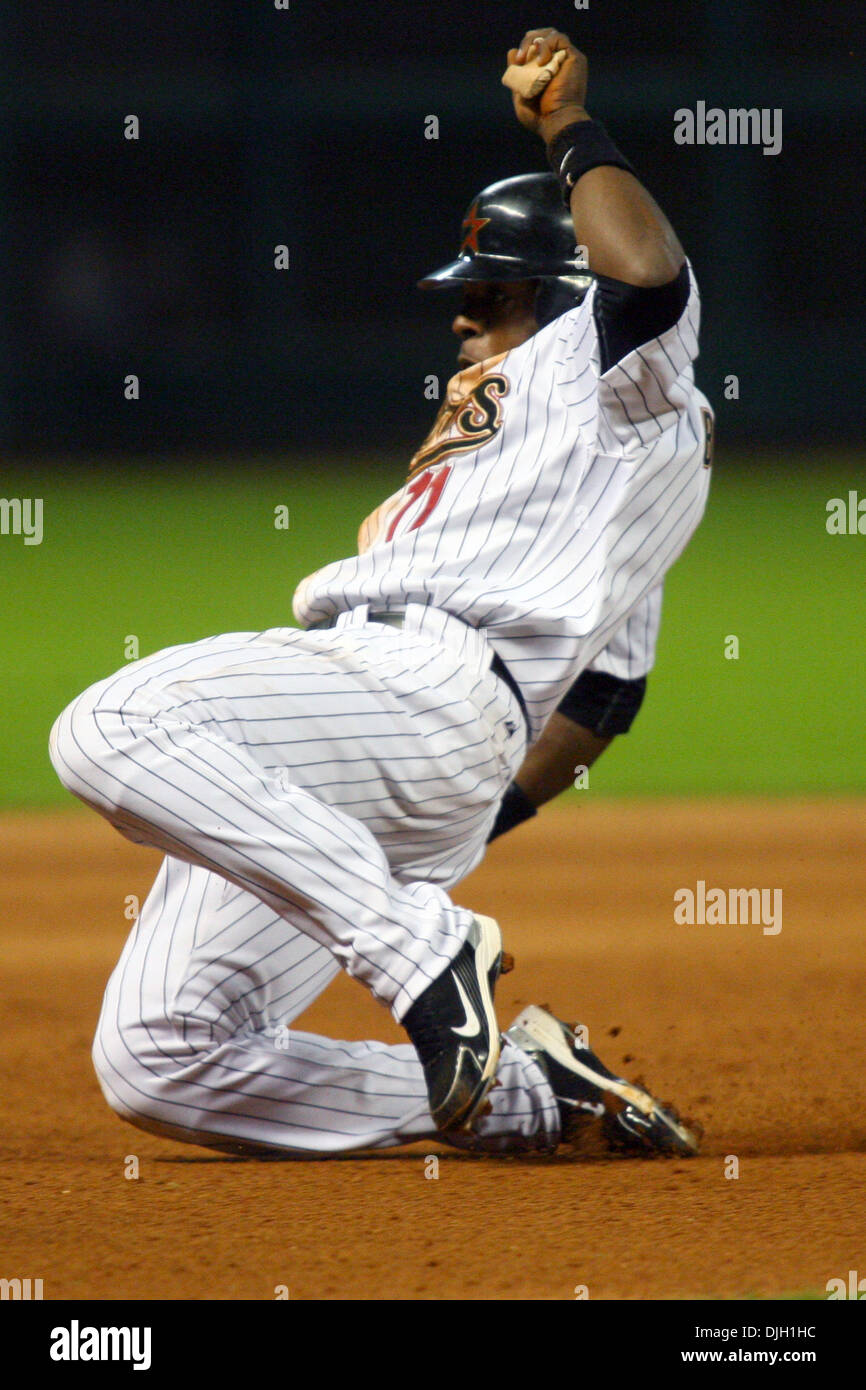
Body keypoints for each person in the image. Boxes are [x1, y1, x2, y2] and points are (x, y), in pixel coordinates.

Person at [49, 28, 711, 1159]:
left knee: (110, 723)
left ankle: (422, 956)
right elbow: (603, 701)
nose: (461, 314)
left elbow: (645, 273)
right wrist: (453, 826)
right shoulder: (551, 456)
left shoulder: (616, 382)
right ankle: (535, 1093)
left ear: (559, 292)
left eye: (491, 292)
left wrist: (565, 128)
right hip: (385, 755)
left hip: (426, 688)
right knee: (156, 1055)